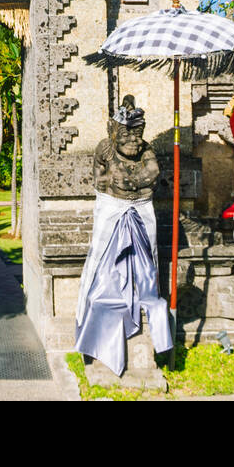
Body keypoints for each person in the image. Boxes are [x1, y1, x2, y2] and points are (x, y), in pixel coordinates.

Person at [74, 95, 173, 375]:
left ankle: (145, 300)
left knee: (145, 265)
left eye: (138, 134)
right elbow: (99, 180)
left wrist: (132, 181)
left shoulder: (146, 151)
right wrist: (114, 181)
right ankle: (102, 310)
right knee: (104, 262)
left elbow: (153, 172)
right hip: (112, 212)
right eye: (127, 133)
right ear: (113, 132)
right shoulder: (105, 149)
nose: (134, 140)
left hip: (141, 213)